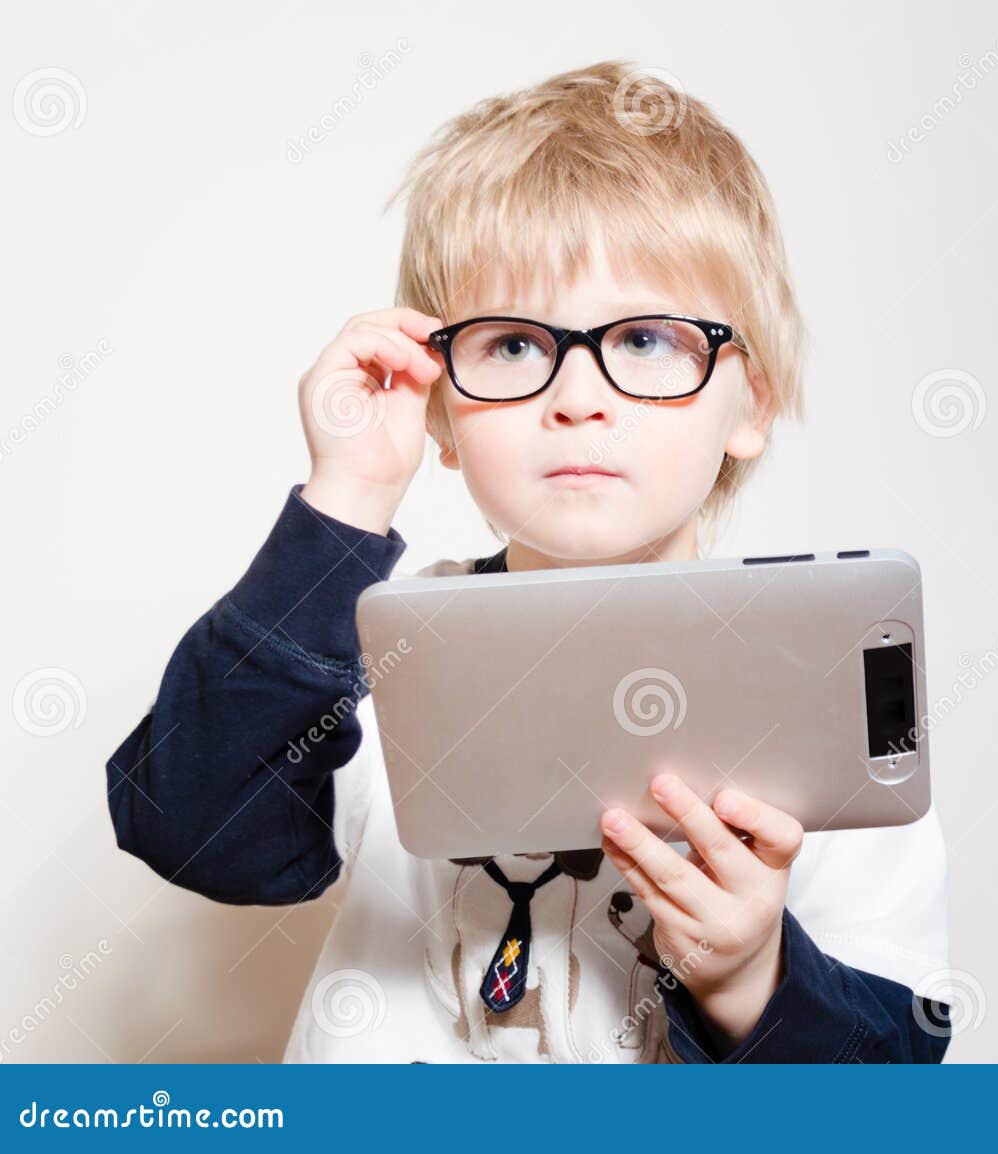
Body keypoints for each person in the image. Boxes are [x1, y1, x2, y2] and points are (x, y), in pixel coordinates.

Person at [106, 59, 951, 1063]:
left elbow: (889, 1090)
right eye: (511, 346)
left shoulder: (832, 704)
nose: (577, 395)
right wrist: (347, 500)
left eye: (643, 338)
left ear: (751, 404)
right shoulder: (379, 653)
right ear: (442, 410)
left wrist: (747, 977)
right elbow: (190, 821)